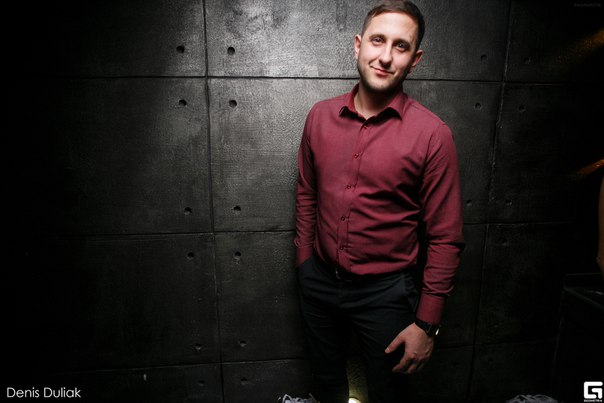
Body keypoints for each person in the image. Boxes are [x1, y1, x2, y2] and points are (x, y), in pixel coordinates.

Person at [294, 1, 465, 402]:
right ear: (358, 45)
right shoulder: (319, 117)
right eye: (377, 40)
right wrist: (304, 262)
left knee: (390, 394)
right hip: (319, 281)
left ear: (415, 59)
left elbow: (446, 237)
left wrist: (427, 324)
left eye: (400, 46)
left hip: (386, 294)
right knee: (326, 385)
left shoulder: (433, 135)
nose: (386, 56)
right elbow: (307, 192)